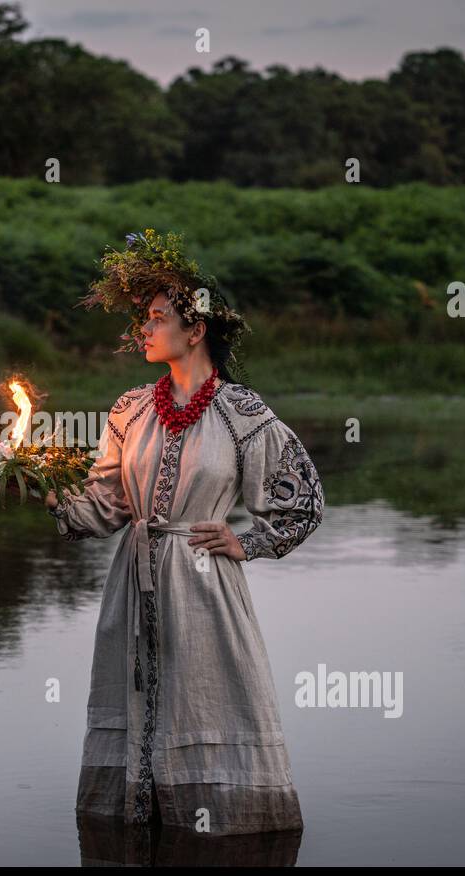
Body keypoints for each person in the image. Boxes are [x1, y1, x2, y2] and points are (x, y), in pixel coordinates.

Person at [44, 229, 324, 835]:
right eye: (143, 319)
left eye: (156, 318)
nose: (143, 330)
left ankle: (224, 831)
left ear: (195, 330)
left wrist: (244, 541)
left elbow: (302, 503)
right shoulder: (129, 410)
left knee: (203, 697)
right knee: (137, 705)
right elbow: (104, 507)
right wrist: (40, 482)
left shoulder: (242, 414)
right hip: (133, 578)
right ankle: (143, 829)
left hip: (203, 586)